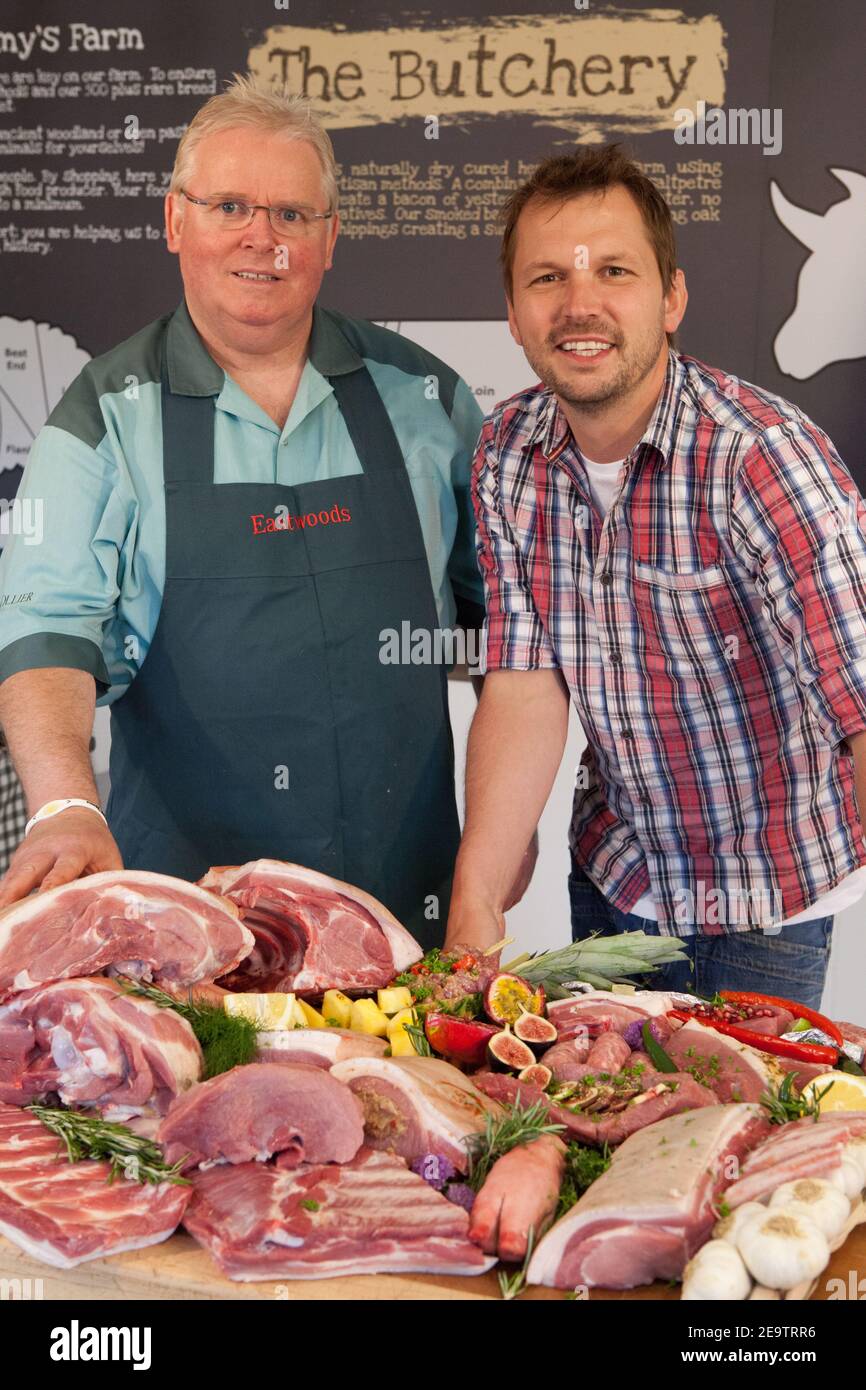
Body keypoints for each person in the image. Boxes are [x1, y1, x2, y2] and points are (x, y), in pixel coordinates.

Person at [0, 76, 522, 947]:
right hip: (185, 932)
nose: (262, 238)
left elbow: (513, 638)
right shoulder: (103, 420)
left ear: (329, 239)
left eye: (291, 215)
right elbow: (46, 638)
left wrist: (505, 827)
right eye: (230, 205)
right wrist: (62, 801)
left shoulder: (423, 400)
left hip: (406, 919)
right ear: (175, 221)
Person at [445, 144, 866, 1006]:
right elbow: (526, 685)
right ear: (515, 316)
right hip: (617, 875)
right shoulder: (507, 453)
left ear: (671, 298)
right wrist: (476, 899)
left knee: (736, 1134)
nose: (580, 304)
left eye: (614, 271)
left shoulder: (761, 459)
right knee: (607, 1122)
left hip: (768, 900)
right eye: (548, 279)